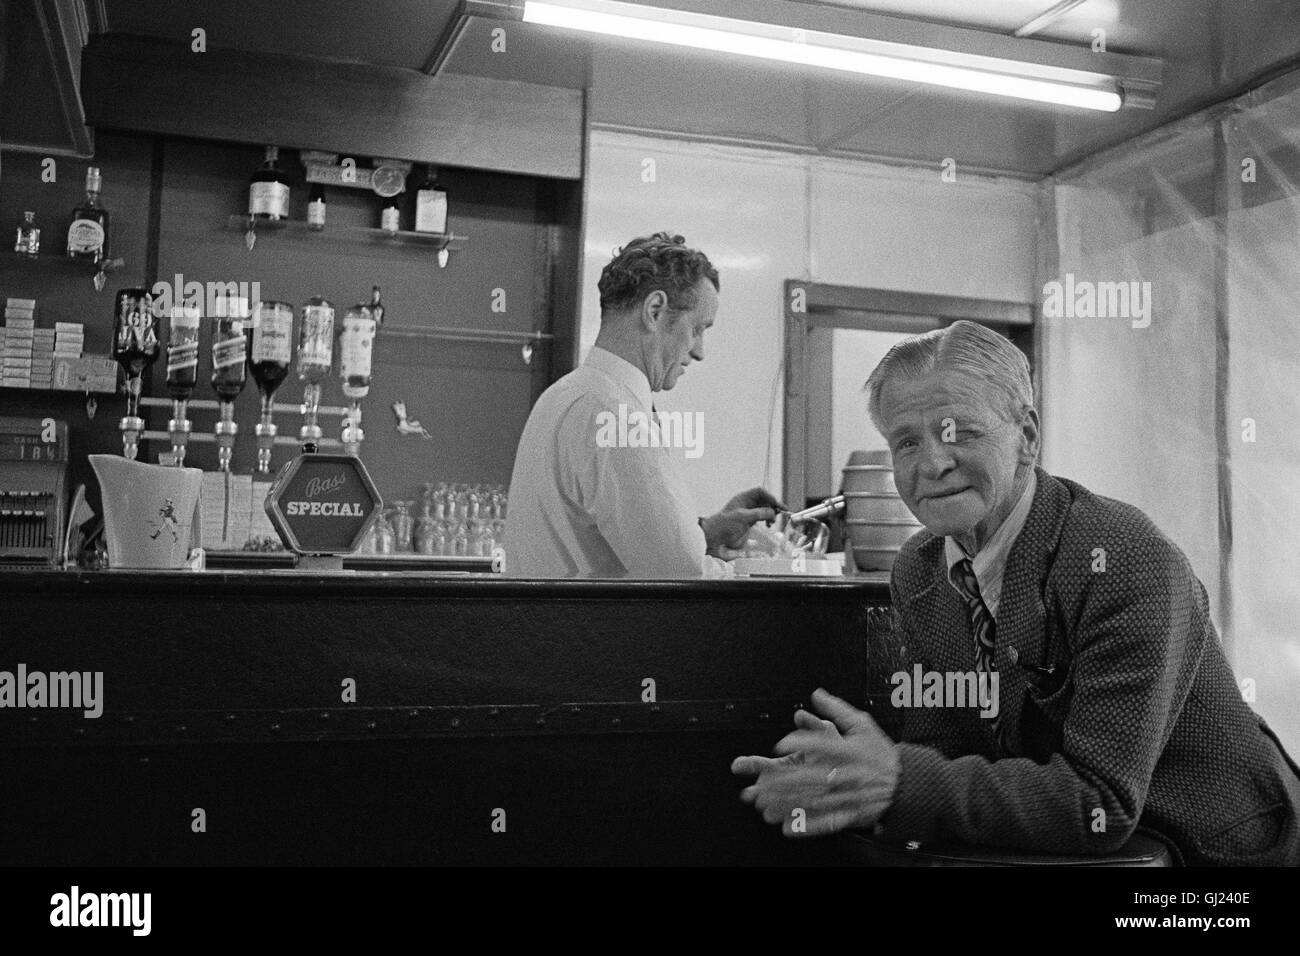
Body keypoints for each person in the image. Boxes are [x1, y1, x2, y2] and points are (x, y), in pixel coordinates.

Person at [732, 320, 1300, 865]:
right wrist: (852, 774)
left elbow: (1100, 802)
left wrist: (897, 779)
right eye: (906, 442)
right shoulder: (921, 569)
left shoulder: (1122, 556)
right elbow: (947, 742)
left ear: (1026, 437)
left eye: (961, 431)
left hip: (1222, 857)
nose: (932, 462)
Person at [506, 232, 782, 578]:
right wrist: (768, 573)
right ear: (655, 311)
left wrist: (702, 534)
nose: (699, 351)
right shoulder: (616, 417)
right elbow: (683, 576)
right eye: (697, 328)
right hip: (594, 631)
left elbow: (602, 538)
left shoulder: (563, 395)